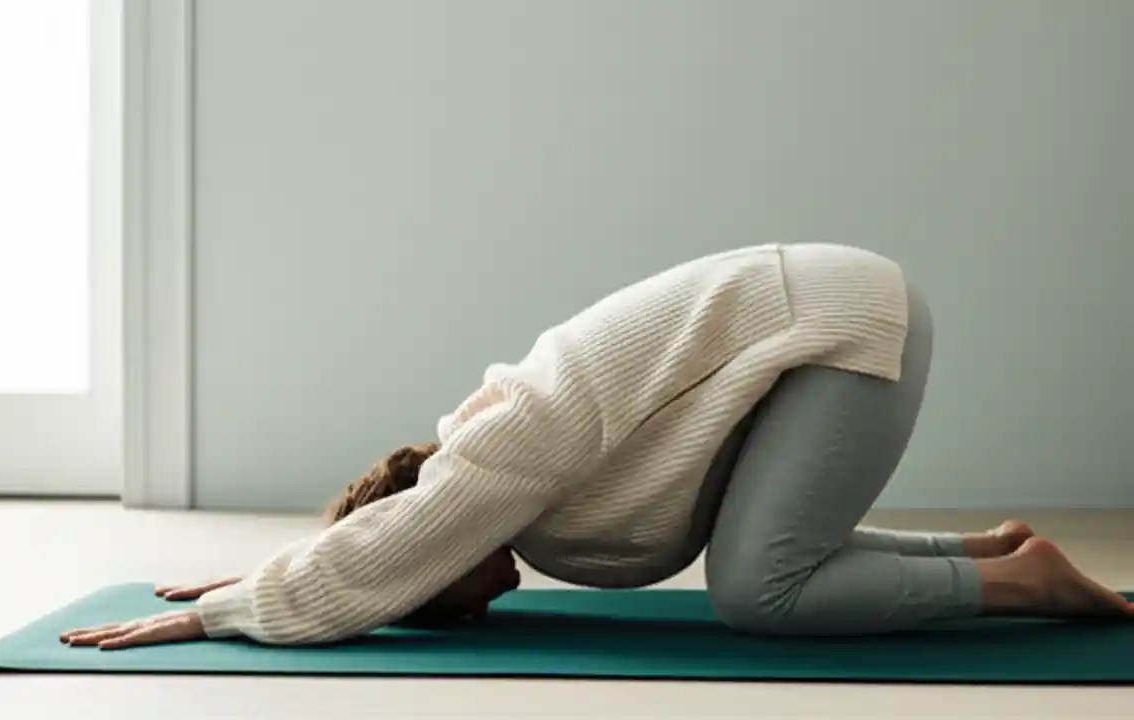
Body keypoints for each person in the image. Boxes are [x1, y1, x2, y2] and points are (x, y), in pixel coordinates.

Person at [61, 243, 1133, 651]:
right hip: (827, 311)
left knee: (759, 594)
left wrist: (222, 613)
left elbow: (392, 548)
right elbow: (393, 543)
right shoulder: (515, 468)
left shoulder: (497, 451)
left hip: (839, 319)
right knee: (766, 547)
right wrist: (263, 571)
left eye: (452, 594)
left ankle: (1025, 591)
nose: (483, 598)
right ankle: (992, 556)